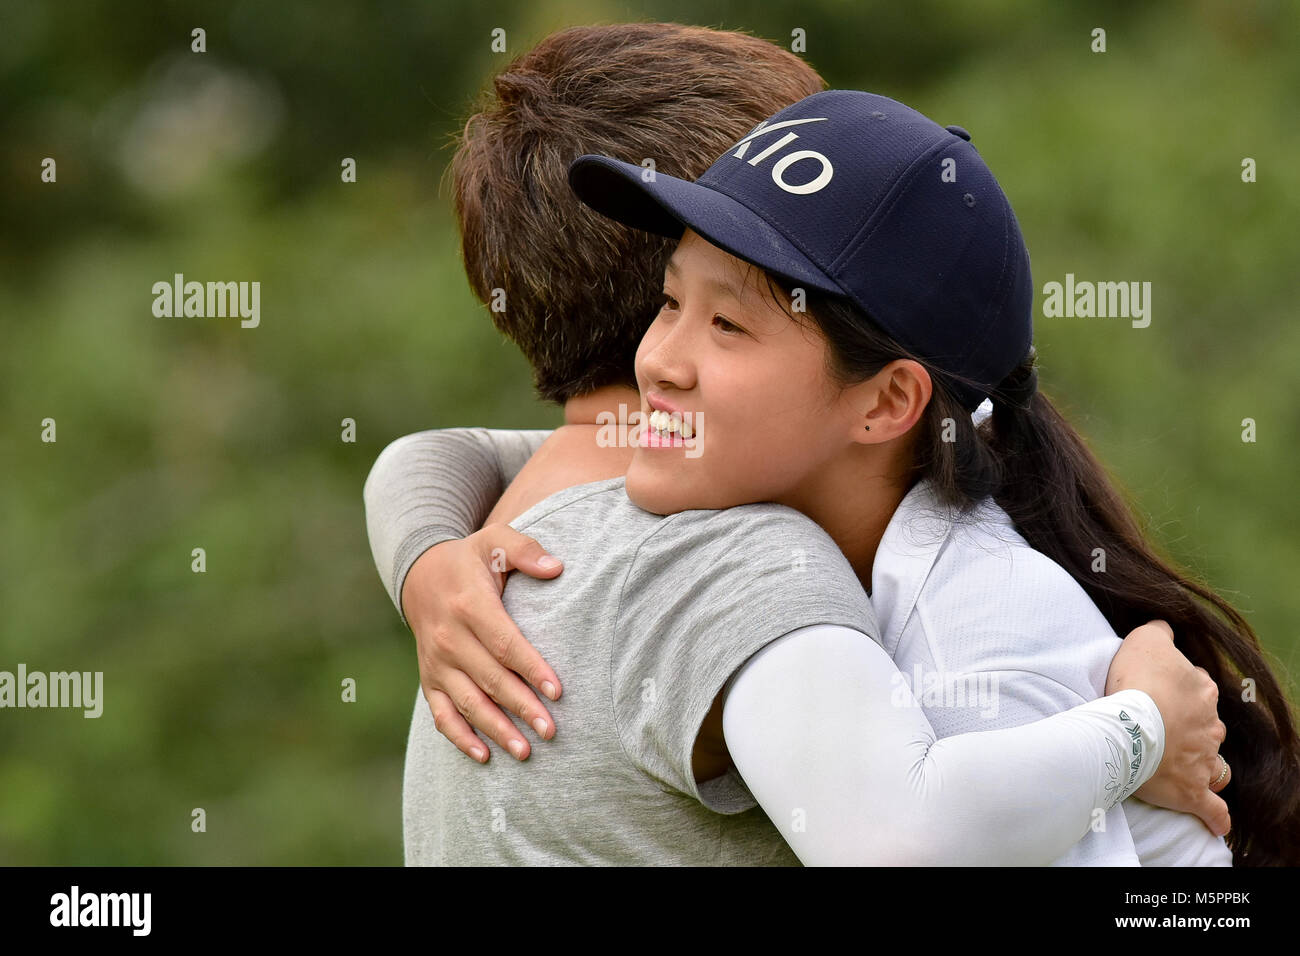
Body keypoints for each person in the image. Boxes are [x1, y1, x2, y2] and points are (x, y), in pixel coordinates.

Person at [366, 27, 1239, 865]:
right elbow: (897, 841)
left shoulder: (539, 522)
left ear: (889, 398)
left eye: (727, 320)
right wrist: (1139, 728)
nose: (669, 356)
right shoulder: (732, 550)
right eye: (675, 301)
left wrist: (426, 555)